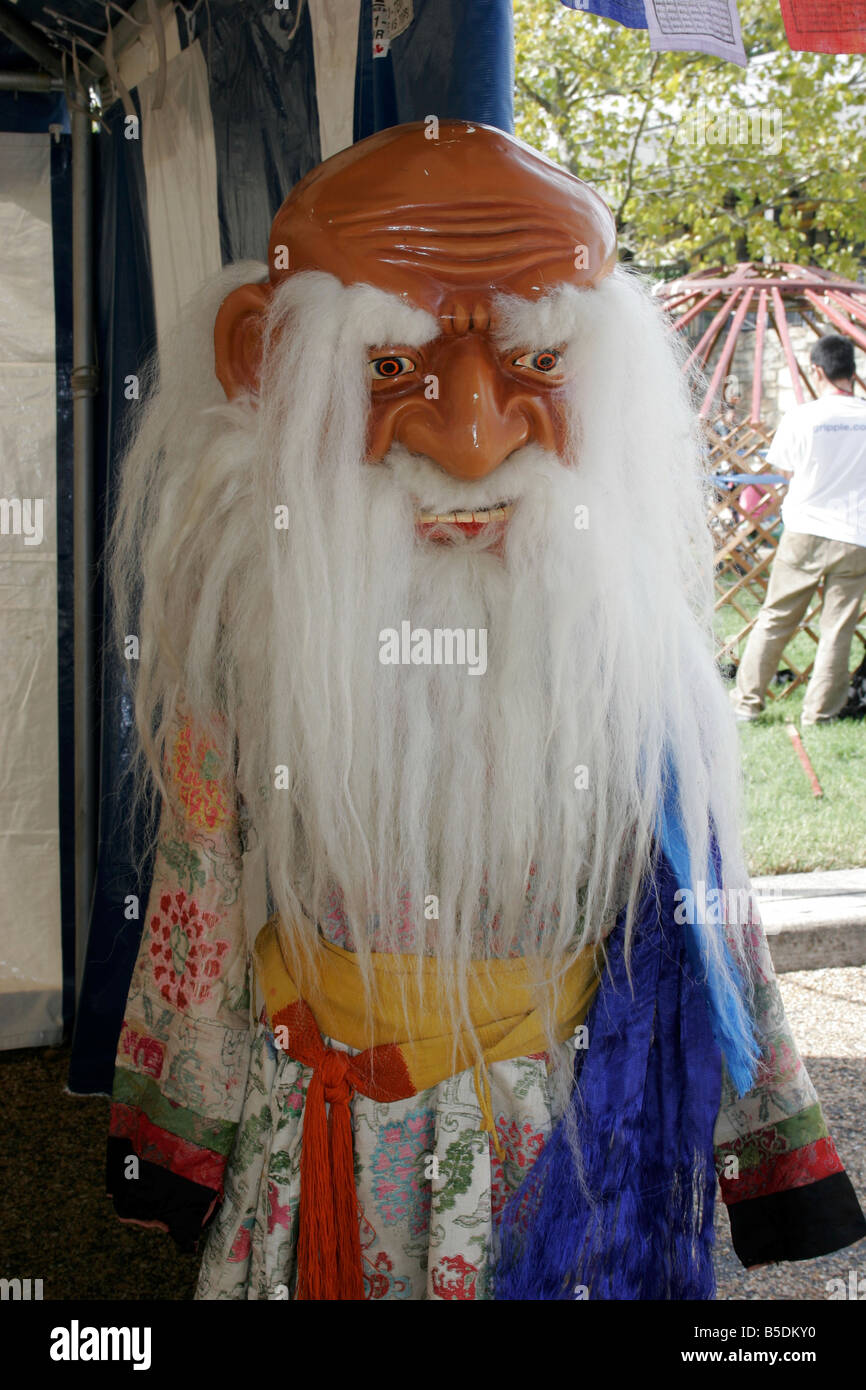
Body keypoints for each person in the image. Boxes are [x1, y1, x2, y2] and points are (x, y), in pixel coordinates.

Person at [106, 122, 865, 1300]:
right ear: (264, 365)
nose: (471, 439)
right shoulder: (254, 642)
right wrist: (179, 1134)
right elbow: (198, 886)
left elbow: (707, 908)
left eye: (537, 368)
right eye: (388, 367)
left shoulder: (625, 649)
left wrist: (771, 1143)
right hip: (329, 1125)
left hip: (555, 1130)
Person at [731, 334, 866, 724]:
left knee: (775, 618)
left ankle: (747, 703)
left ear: (817, 371)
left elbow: (786, 470)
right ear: (852, 373)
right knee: (837, 629)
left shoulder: (802, 416)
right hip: (857, 534)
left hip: (806, 528)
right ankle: (820, 714)